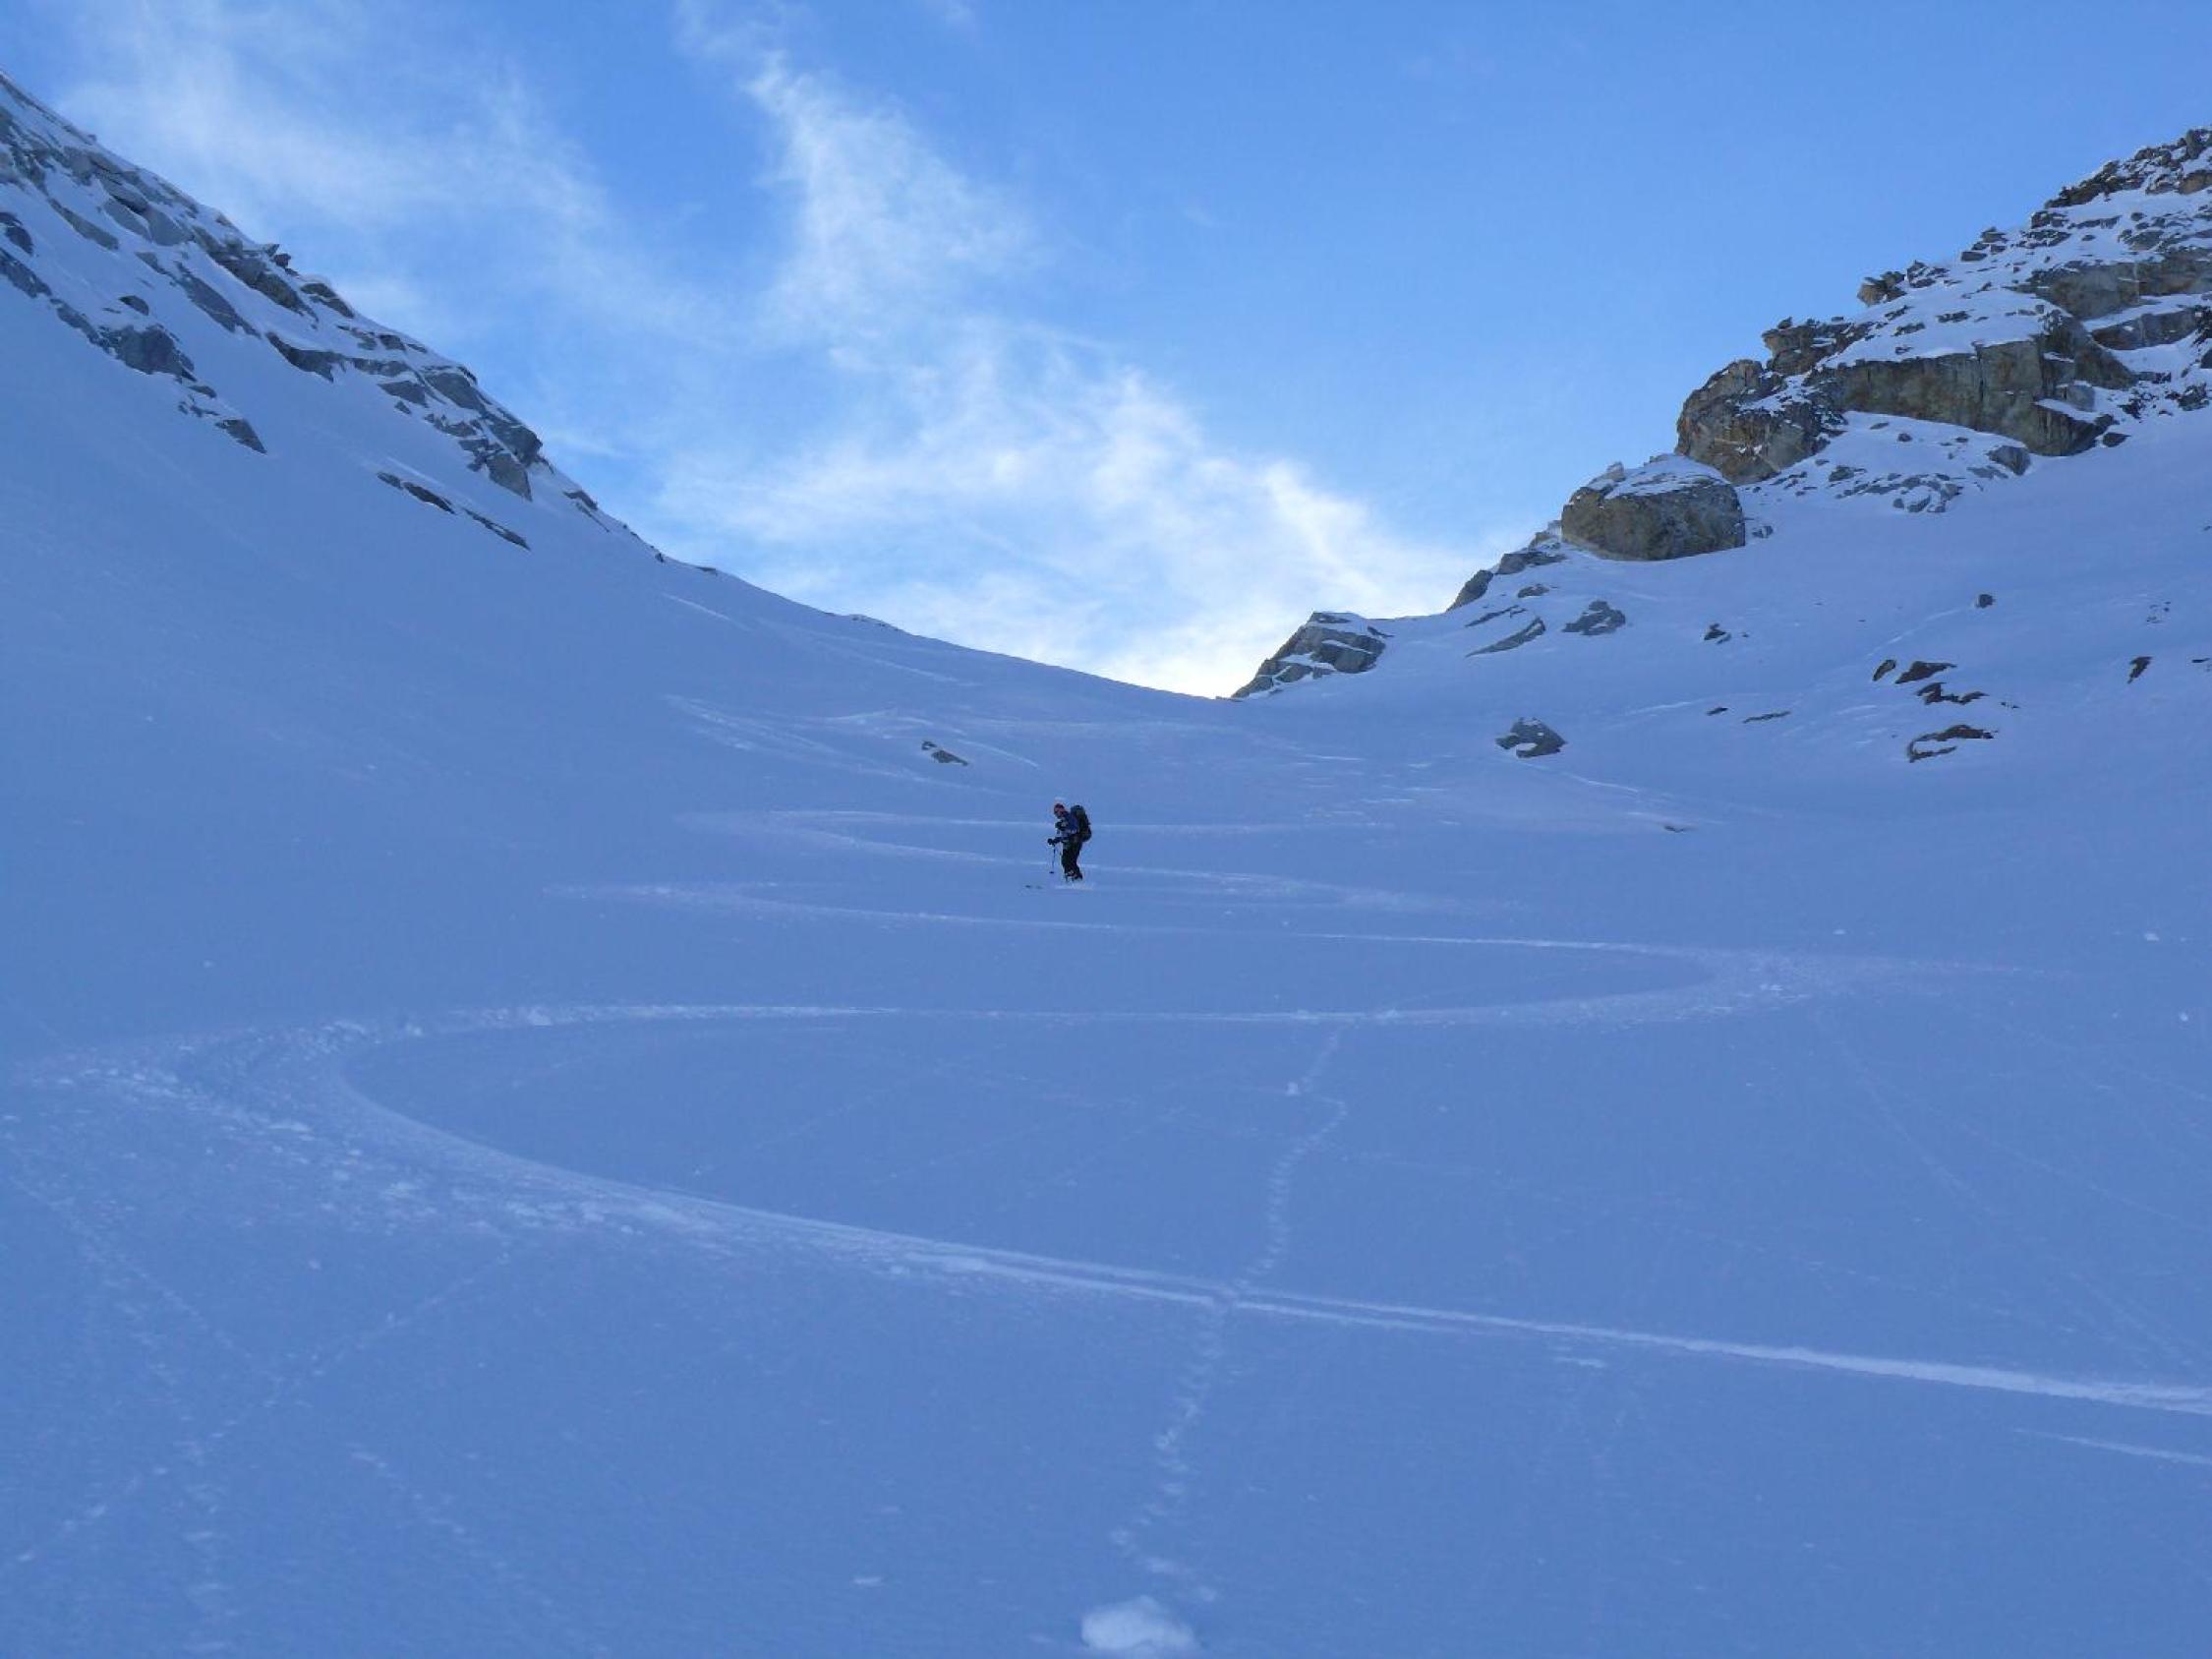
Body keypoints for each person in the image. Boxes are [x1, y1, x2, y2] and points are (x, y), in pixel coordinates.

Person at [1048, 800, 1090, 882]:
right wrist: (1054, 841)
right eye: (1054, 812)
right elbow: (1063, 835)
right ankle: (1071, 878)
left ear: (1061, 810)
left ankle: (1077, 879)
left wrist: (1063, 828)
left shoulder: (1070, 817)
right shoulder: (1063, 820)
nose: (1056, 814)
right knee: (1065, 861)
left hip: (1075, 843)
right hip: (1068, 843)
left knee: (1070, 861)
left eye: (1056, 812)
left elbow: (1075, 829)